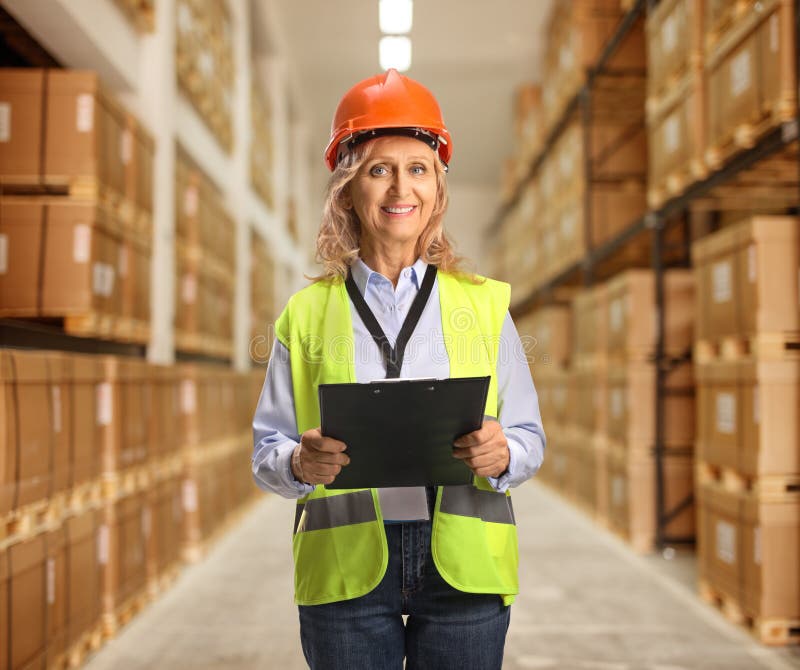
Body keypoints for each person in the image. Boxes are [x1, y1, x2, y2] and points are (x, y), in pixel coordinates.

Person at [252, 68, 545, 670]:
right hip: (347, 571)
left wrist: (505, 455)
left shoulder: (484, 304)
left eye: (417, 169)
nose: (398, 189)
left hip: (463, 568)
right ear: (347, 189)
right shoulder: (305, 315)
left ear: (437, 188)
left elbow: (529, 437)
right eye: (378, 169)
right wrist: (298, 464)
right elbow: (267, 451)